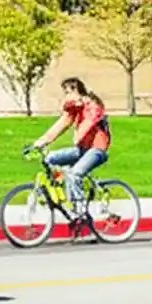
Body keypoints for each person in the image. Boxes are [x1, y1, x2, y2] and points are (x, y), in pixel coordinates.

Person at [29, 77, 111, 219]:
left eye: (68, 92)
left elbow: (90, 121)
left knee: (74, 174)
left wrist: (78, 136)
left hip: (97, 150)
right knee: (50, 159)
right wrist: (42, 141)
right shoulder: (75, 109)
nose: (66, 96)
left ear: (76, 90)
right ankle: (67, 195)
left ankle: (80, 213)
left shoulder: (93, 105)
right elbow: (61, 124)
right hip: (82, 149)